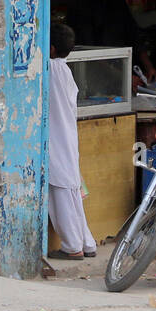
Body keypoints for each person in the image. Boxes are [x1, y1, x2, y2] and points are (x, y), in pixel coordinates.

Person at [45, 23, 97, 261]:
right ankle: (86, 242)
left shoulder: (51, 69)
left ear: (52, 49)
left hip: (56, 139)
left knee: (61, 193)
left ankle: (72, 246)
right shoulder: (65, 70)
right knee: (72, 190)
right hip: (67, 138)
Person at [67, 0, 156, 82]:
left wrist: (149, 68)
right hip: (93, 77)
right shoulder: (81, 5)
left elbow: (133, 34)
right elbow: (88, 50)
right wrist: (124, 78)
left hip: (122, 68)